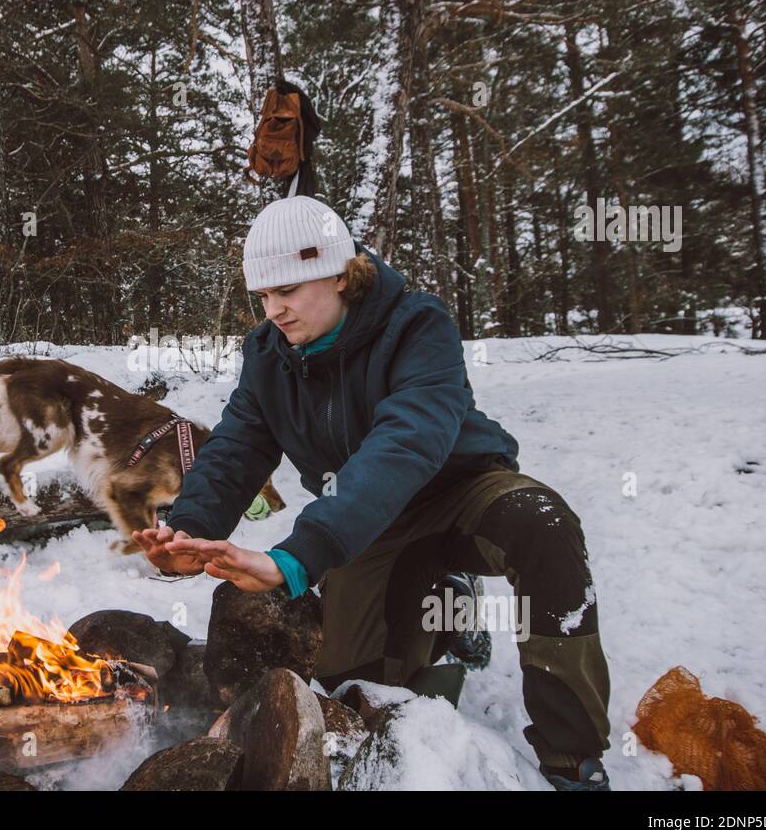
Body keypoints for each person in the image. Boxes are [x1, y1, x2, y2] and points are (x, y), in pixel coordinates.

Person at [131, 193, 613, 791]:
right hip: (369, 523)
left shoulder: (416, 324)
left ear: (340, 272)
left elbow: (405, 444)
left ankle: (573, 761)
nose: (274, 310)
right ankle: (445, 609)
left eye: (289, 291)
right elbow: (236, 447)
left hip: (460, 490)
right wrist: (190, 528)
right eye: (262, 296)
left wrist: (298, 557)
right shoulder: (268, 357)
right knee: (353, 686)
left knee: (544, 525)